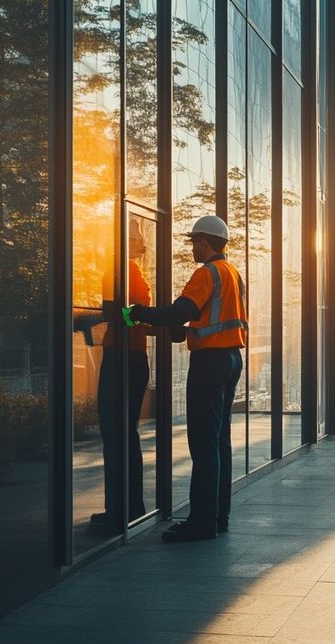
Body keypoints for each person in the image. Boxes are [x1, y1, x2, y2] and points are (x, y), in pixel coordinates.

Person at [125, 215, 246, 542]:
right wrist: (170, 329)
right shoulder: (232, 273)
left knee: (203, 444)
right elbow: (197, 320)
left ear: (205, 242)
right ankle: (218, 517)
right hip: (232, 358)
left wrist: (138, 312)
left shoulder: (206, 273)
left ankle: (201, 522)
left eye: (194, 241)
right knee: (220, 441)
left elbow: (180, 311)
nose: (192, 246)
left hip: (210, 361)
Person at [77, 220, 152, 528]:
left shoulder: (120, 272)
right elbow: (130, 313)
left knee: (115, 435)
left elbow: (122, 314)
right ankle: (130, 507)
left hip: (122, 359)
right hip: (132, 359)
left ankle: (119, 511)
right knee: (125, 436)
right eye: (134, 236)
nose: (140, 241)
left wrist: (82, 318)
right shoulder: (134, 273)